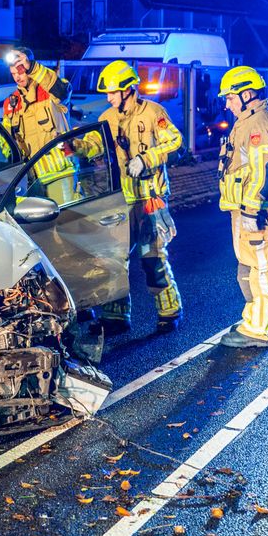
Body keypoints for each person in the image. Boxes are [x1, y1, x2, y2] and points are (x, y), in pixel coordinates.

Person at [94, 60, 184, 334]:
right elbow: (95, 147)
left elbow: (176, 142)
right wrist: (76, 145)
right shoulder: (107, 119)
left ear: (127, 89)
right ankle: (116, 317)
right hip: (122, 200)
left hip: (150, 200)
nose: (108, 98)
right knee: (115, 259)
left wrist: (146, 159)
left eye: (112, 92)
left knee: (152, 258)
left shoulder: (153, 113)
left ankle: (170, 313)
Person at [217, 66, 268, 348]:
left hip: (256, 212)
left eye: (231, 98)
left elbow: (265, 171)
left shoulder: (258, 125)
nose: (227, 104)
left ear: (247, 94)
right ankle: (256, 318)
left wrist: (250, 211)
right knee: (249, 267)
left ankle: (259, 329)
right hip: (245, 208)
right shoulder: (248, 121)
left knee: (258, 268)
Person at [1, 46, 77, 204]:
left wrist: (33, 68)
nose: (17, 77)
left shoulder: (50, 92)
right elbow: (5, 138)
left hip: (60, 173)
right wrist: (12, 156)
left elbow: (62, 92)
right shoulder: (11, 103)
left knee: (67, 223)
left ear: (28, 68)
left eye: (20, 71)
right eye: (13, 73)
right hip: (31, 179)